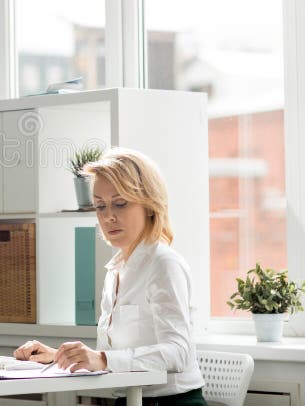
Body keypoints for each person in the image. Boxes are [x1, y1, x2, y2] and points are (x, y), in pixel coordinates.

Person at [14, 147, 206, 406]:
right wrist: (58, 357)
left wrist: (101, 359)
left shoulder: (163, 264)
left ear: (150, 205)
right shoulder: (116, 270)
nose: (108, 217)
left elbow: (178, 353)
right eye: (100, 206)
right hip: (128, 400)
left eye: (120, 203)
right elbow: (118, 357)